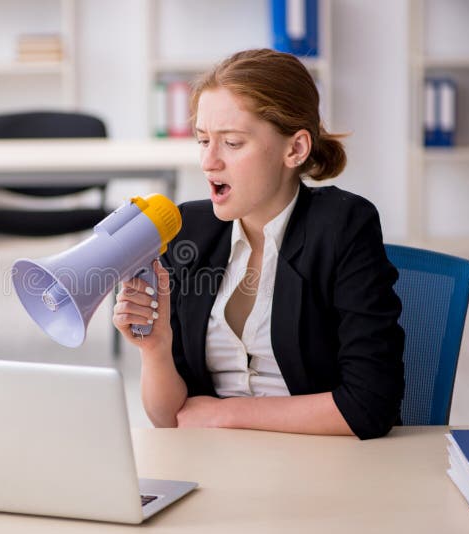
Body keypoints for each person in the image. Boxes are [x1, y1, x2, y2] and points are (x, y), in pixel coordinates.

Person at [113, 49, 404, 440]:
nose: (209, 162)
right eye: (203, 141)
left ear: (295, 149)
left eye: (232, 143)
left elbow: (369, 407)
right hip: (217, 468)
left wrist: (228, 414)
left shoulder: (344, 226)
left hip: (321, 466)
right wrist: (157, 348)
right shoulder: (189, 231)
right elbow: (171, 420)